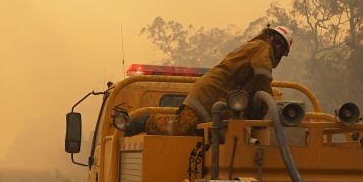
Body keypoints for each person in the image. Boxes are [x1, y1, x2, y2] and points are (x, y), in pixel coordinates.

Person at [123, 25, 293, 136]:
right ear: (268, 36)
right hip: (209, 92)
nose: (277, 48)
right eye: (277, 41)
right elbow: (263, 77)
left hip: (222, 98)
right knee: (183, 127)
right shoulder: (262, 47)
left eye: (282, 48)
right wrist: (266, 103)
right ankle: (146, 121)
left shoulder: (257, 49)